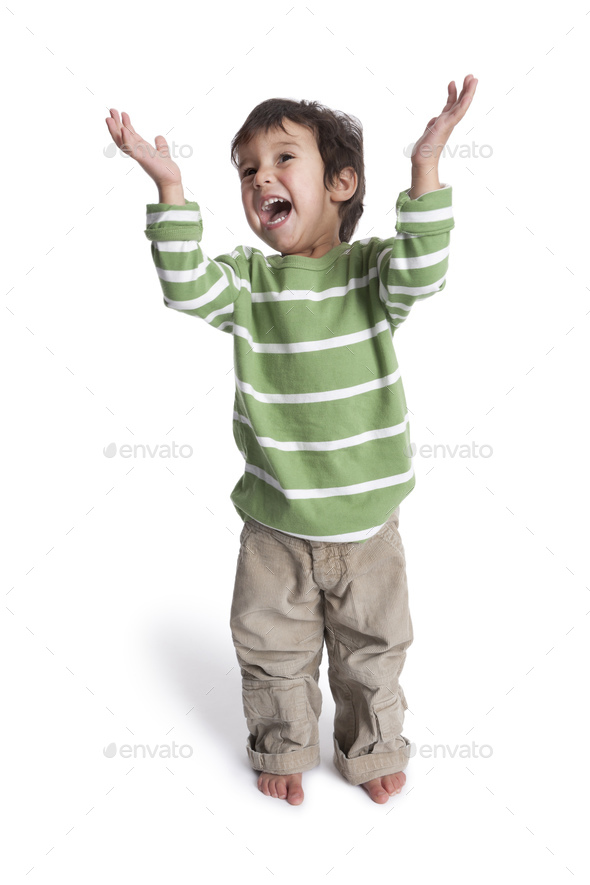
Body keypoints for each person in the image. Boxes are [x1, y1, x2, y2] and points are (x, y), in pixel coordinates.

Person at [105, 76, 477, 806]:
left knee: (373, 652)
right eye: (247, 169)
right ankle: (282, 739)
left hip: (369, 523)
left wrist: (426, 168)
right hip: (275, 525)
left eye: (282, 159)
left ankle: (372, 746)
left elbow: (425, 270)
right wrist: (170, 188)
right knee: (273, 648)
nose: (261, 177)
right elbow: (184, 286)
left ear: (341, 183)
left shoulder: (369, 272)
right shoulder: (250, 282)